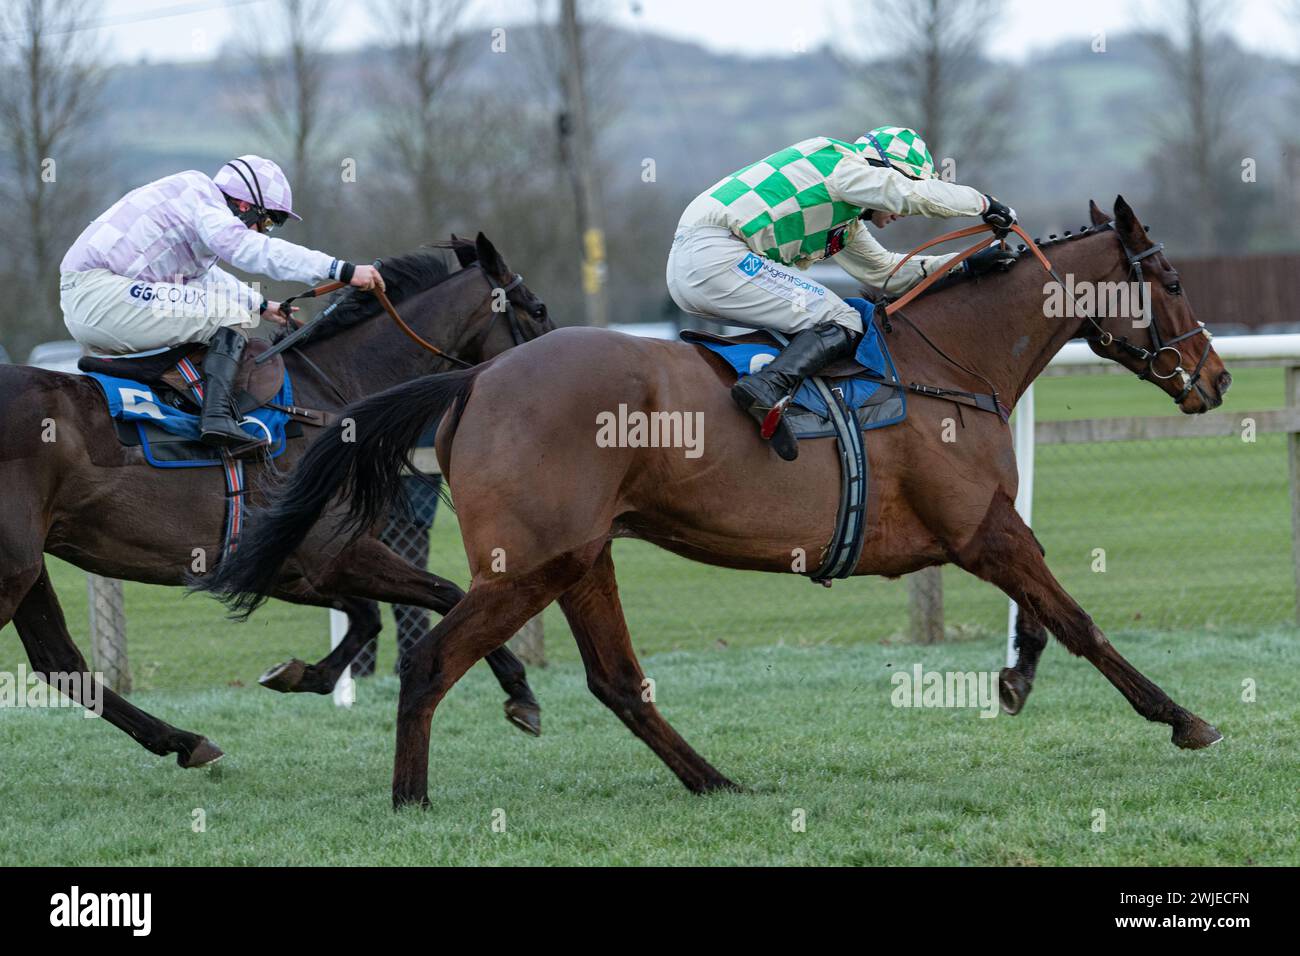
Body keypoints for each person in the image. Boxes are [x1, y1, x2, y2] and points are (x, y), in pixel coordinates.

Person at [667, 126, 1018, 460]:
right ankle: (766, 389)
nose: (898, 214)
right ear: (883, 171)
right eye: (901, 182)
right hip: (715, 256)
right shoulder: (842, 163)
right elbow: (909, 194)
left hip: (703, 262)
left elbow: (886, 272)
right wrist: (985, 204)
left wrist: (964, 264)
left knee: (819, 318)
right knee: (843, 318)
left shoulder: (843, 214)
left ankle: (790, 404)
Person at [59, 155, 386, 446]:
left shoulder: (194, 204)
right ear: (245, 205)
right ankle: (216, 418)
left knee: (226, 310)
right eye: (268, 221)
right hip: (101, 294)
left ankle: (176, 397)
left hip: (97, 296)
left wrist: (261, 306)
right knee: (227, 315)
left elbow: (205, 278)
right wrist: (340, 269)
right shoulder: (202, 198)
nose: (265, 232)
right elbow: (249, 250)